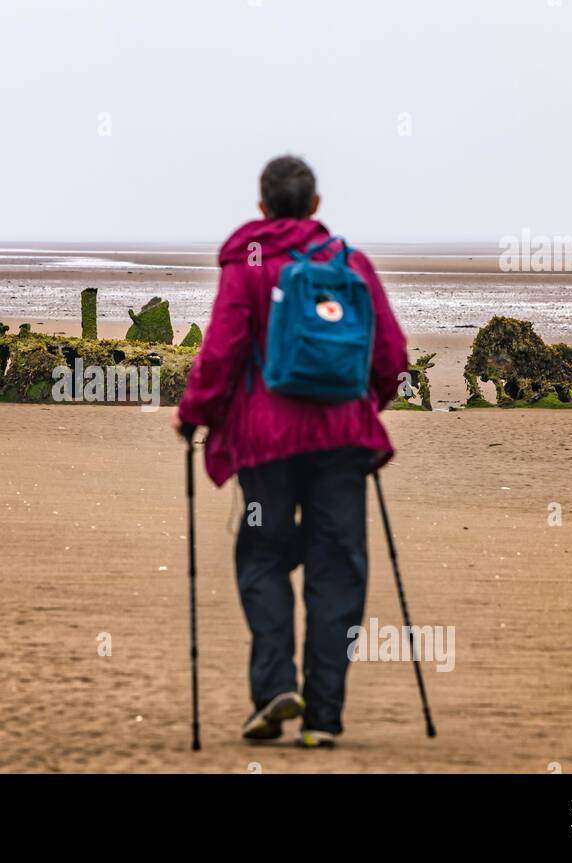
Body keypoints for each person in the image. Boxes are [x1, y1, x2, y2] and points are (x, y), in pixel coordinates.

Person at [174, 155, 408, 748]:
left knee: (263, 555)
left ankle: (276, 686)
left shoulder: (247, 263)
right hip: (342, 441)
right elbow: (391, 355)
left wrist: (193, 412)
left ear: (261, 205)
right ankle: (324, 718)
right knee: (339, 568)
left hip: (264, 443)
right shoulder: (349, 262)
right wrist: (364, 406)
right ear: (315, 205)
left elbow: (221, 350)